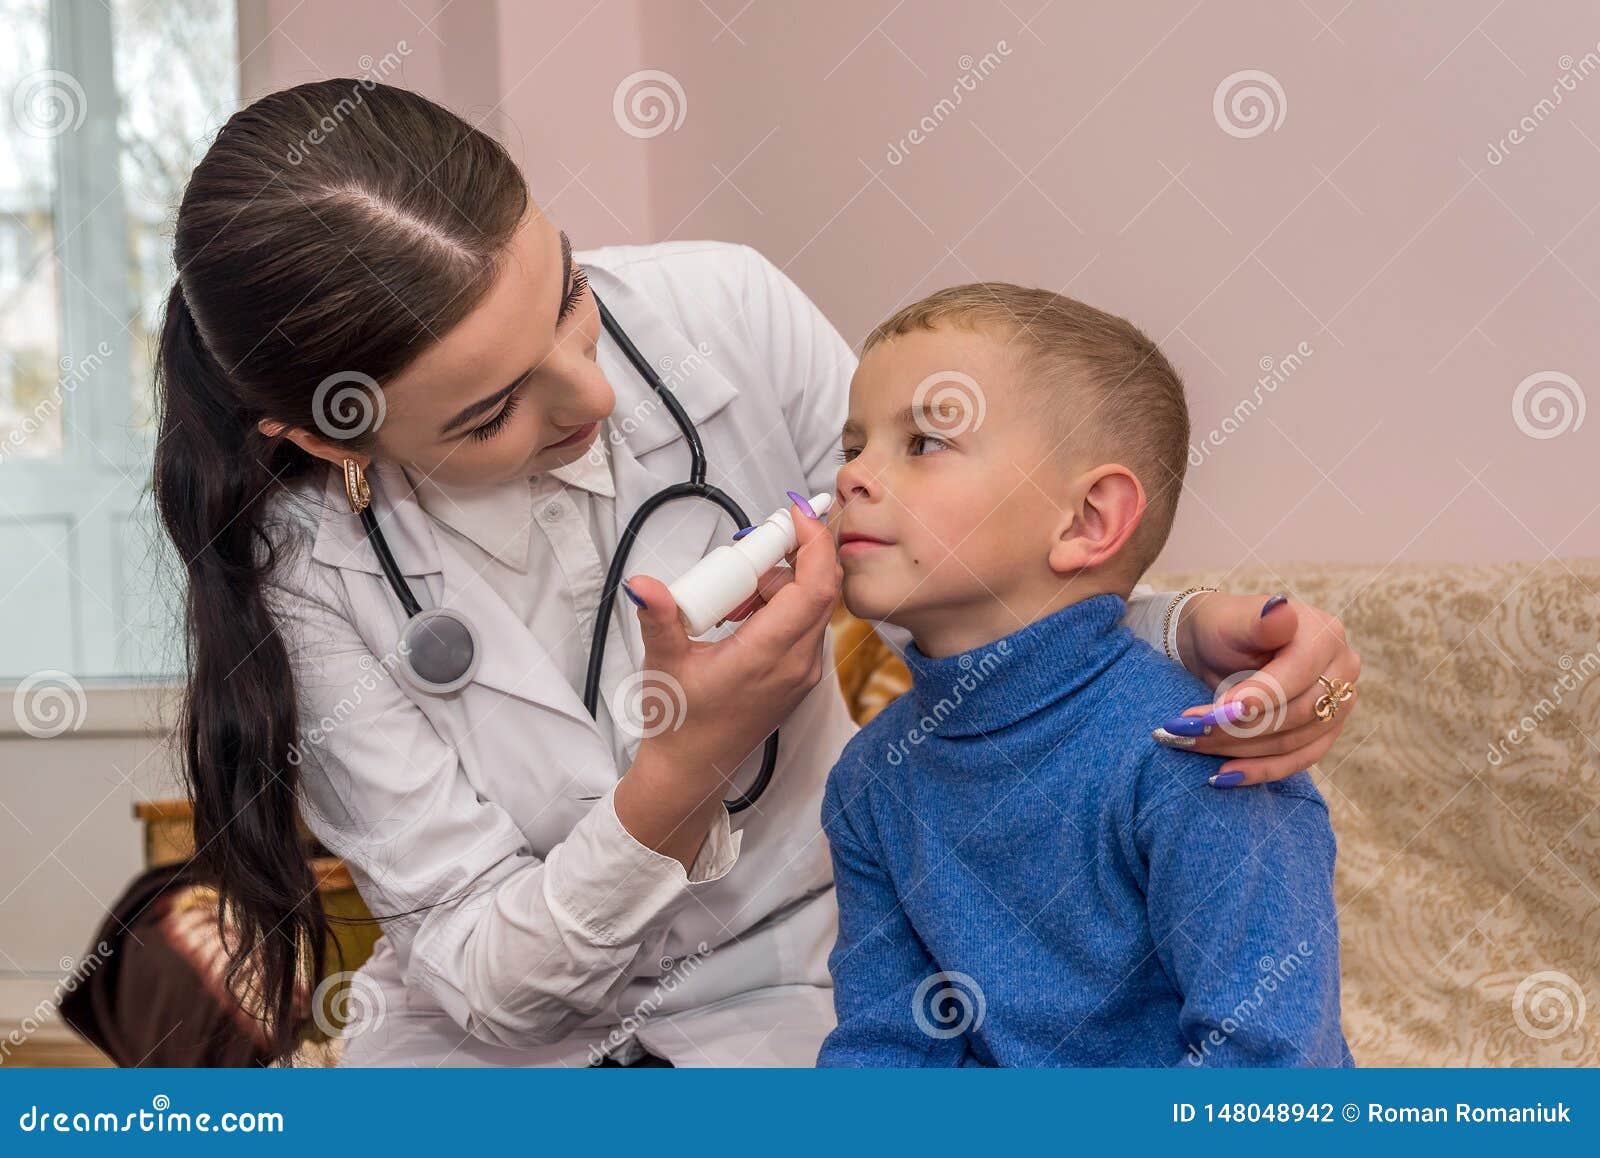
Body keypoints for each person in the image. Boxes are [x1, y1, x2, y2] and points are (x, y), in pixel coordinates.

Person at [150, 79, 1361, 1067]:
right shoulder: (303, 568)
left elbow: (967, 562)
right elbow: (485, 987)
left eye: (568, 297)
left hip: (788, 982)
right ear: (324, 437)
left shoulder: (720, 311)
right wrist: (683, 770)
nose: (596, 394)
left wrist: (1182, 625)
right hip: (492, 1044)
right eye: (490, 413)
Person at [817, 285, 1352, 1067]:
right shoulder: (870, 780)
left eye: (923, 443)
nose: (852, 477)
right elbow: (885, 1053)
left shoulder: (1189, 753)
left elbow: (1271, 1068)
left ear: (1086, 521)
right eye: (853, 445)